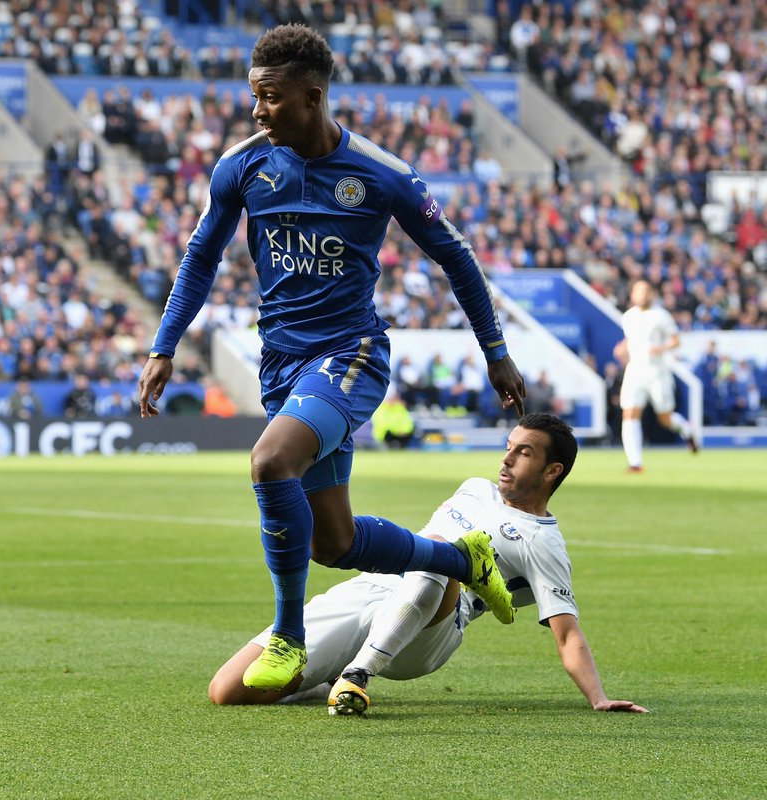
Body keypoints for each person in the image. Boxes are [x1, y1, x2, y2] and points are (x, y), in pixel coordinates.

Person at [137, 24, 526, 691]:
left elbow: (457, 257)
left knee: (270, 461)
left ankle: (287, 637)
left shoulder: (381, 174)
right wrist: (164, 344)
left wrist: (494, 351)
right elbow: (201, 257)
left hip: (351, 354)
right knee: (334, 544)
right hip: (282, 364)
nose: (257, 111)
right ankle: (463, 559)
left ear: (313, 97)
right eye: (254, 96)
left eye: (271, 97)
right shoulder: (242, 167)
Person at [210, 413, 649, 716]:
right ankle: (326, 681)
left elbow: (567, 634)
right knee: (227, 690)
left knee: (438, 551)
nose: (506, 458)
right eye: (508, 447)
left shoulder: (543, 542)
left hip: (434, 628)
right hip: (372, 590)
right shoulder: (474, 488)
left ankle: (358, 673)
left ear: (552, 471)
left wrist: (598, 698)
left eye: (524, 453)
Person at [613, 279, 698, 472]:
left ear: (651, 294)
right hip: (635, 371)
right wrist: (622, 348)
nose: (642, 295)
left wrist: (660, 348)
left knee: (664, 418)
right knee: (629, 413)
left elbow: (675, 340)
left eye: (645, 291)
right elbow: (631, 339)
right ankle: (635, 463)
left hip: (657, 372)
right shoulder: (628, 316)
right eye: (638, 291)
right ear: (632, 294)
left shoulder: (661, 316)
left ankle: (686, 430)